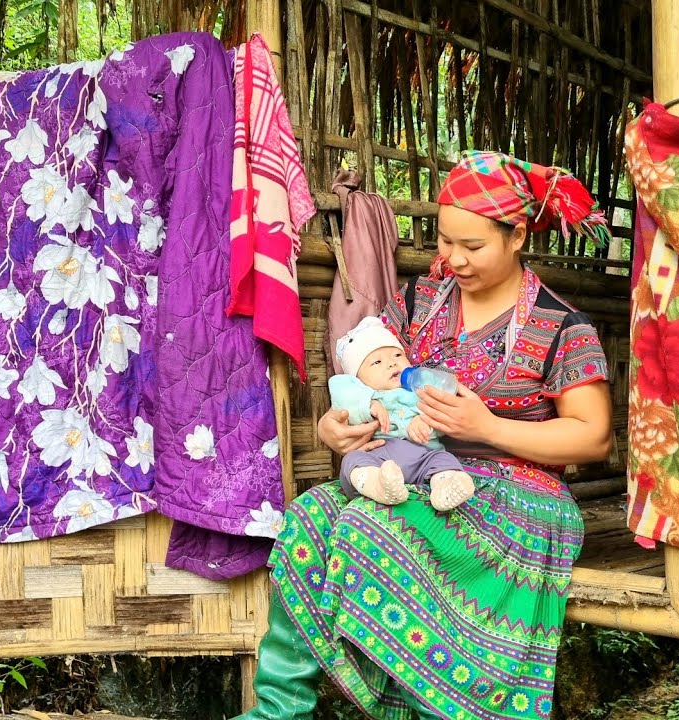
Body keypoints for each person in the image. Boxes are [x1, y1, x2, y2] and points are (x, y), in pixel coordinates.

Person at [234, 151, 613, 720]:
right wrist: (339, 427)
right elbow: (361, 376)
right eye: (444, 241)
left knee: (374, 527)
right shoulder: (416, 305)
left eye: (473, 246)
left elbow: (593, 438)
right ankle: (277, 713)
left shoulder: (560, 325)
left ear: (516, 237)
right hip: (411, 463)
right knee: (310, 517)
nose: (453, 259)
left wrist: (487, 426)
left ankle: (431, 706)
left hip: (521, 491)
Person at [329, 315, 477, 511]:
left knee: (444, 460)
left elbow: (443, 414)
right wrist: (368, 405)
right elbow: (341, 392)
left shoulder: (417, 390)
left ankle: (444, 487)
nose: (391, 363)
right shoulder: (361, 393)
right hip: (378, 457)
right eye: (377, 362)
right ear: (357, 378)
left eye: (397, 356)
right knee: (352, 461)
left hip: (423, 457)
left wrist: (424, 422)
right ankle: (377, 484)